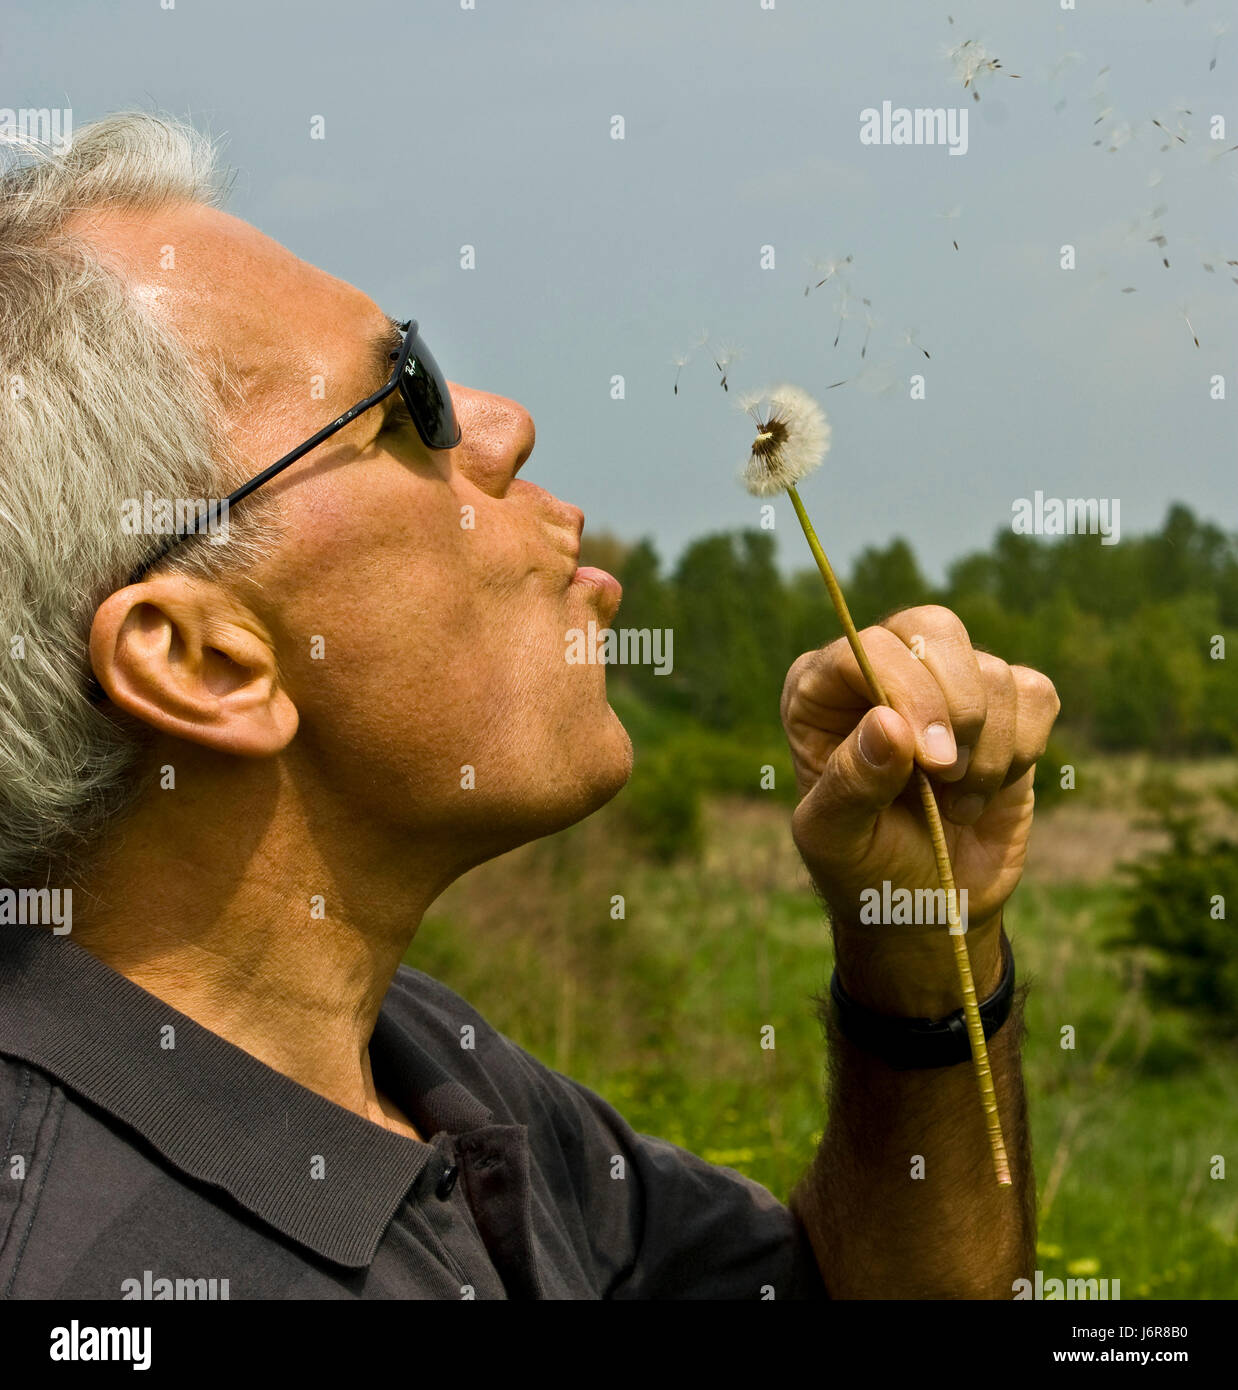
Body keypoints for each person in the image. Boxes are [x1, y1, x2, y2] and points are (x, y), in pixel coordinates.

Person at [0, 114, 1059, 1299]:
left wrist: (918, 945)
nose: (503, 425)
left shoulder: (423, 1070)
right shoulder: (91, 1271)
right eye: (407, 404)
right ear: (205, 664)